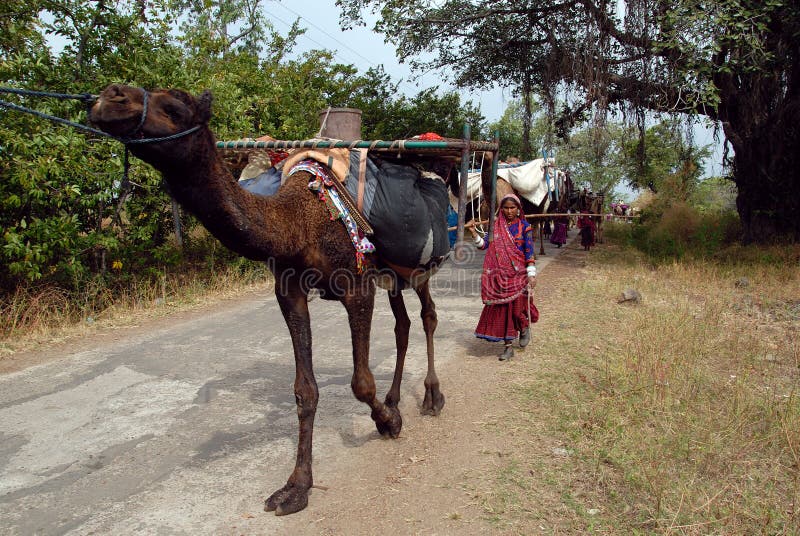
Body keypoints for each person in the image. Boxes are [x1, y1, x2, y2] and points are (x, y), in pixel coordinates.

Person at [469, 194, 539, 361]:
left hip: (518, 276)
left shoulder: (525, 227)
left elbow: (529, 253)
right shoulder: (495, 226)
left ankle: (523, 327)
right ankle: (508, 347)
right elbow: (484, 245)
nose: (509, 211)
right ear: (501, 209)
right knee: (503, 313)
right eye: (506, 208)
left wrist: (531, 274)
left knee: (516, 311)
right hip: (499, 277)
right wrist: (473, 232)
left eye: (512, 208)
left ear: (518, 209)